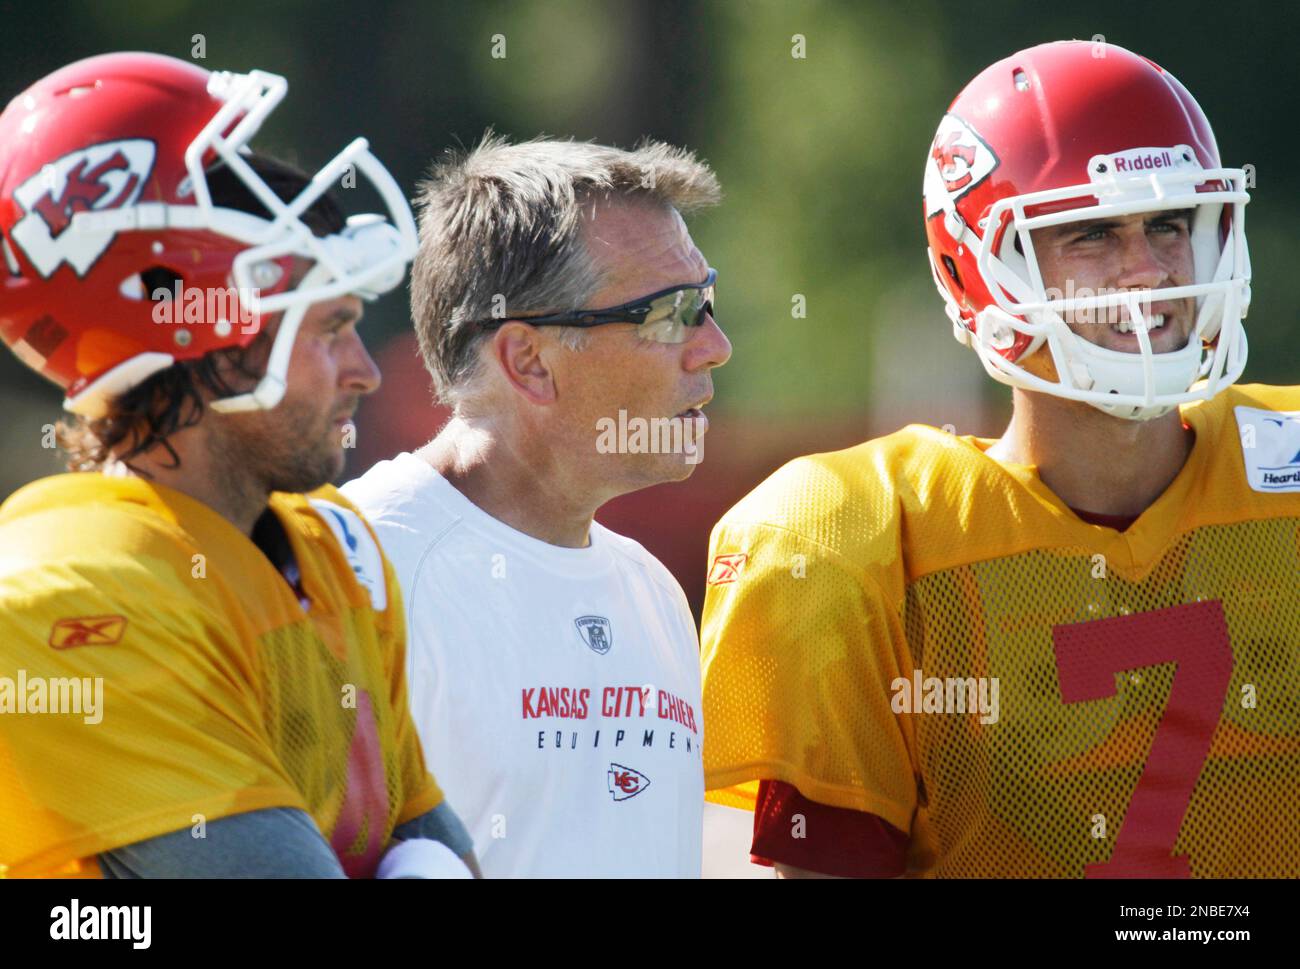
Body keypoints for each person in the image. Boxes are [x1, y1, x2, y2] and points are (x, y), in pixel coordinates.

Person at [700, 40, 1295, 878]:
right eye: (1089, 232)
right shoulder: (857, 542)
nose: (1148, 271)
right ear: (975, 269)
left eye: (1169, 223)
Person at [0, 52, 477, 878]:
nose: (365, 368)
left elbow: (442, 847)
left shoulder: (333, 549)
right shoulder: (69, 592)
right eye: (328, 326)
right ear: (194, 325)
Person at [342, 135, 731, 876]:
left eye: (707, 300)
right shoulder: (358, 566)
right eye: (671, 312)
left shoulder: (652, 591)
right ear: (527, 360)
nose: (715, 344)